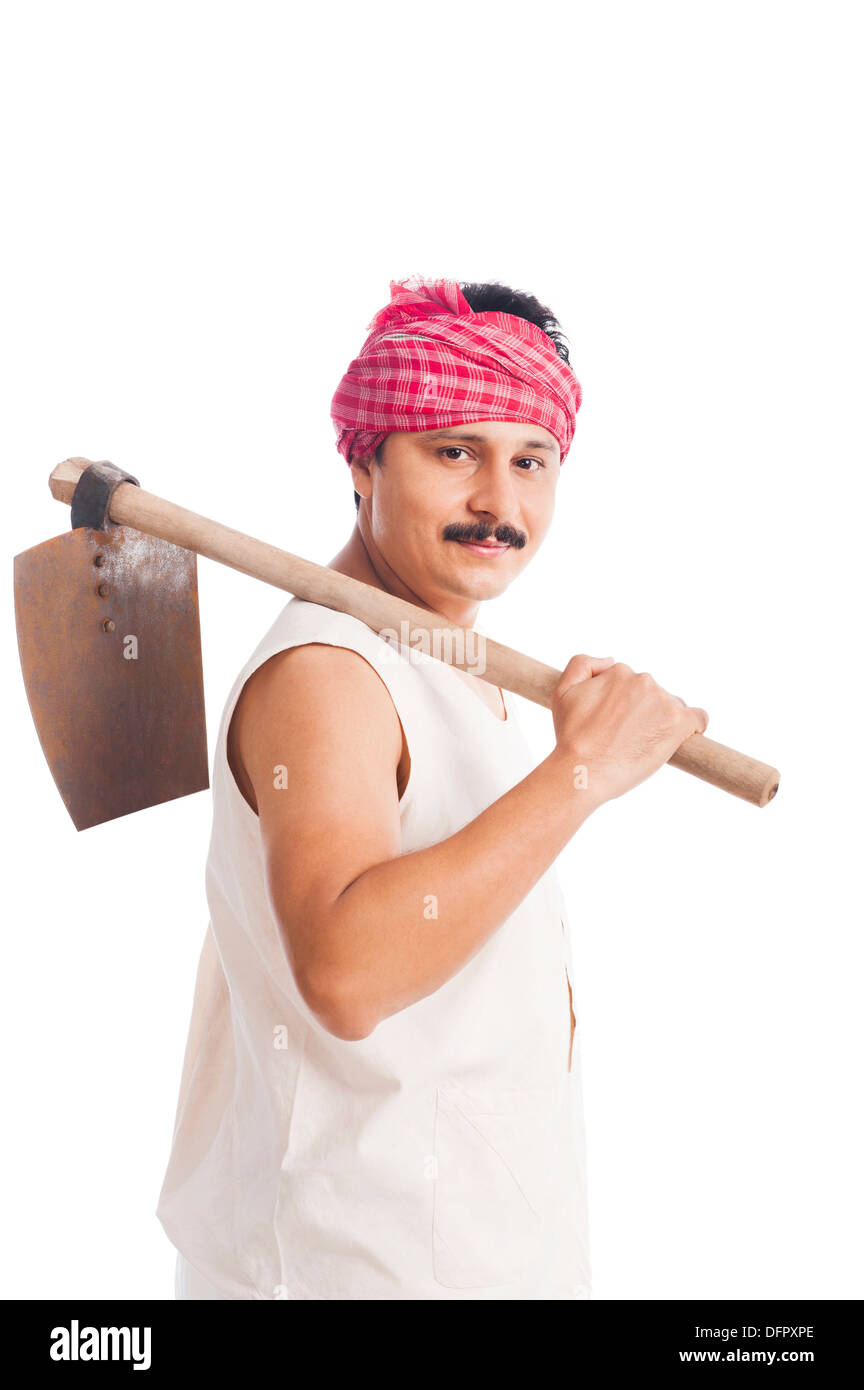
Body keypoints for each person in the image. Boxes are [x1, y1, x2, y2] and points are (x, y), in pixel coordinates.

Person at [156, 273, 708, 1300]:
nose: (500, 502)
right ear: (364, 462)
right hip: (351, 1270)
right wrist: (580, 773)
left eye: (530, 460)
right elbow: (346, 971)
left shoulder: (438, 657)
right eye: (456, 452)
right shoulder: (329, 673)